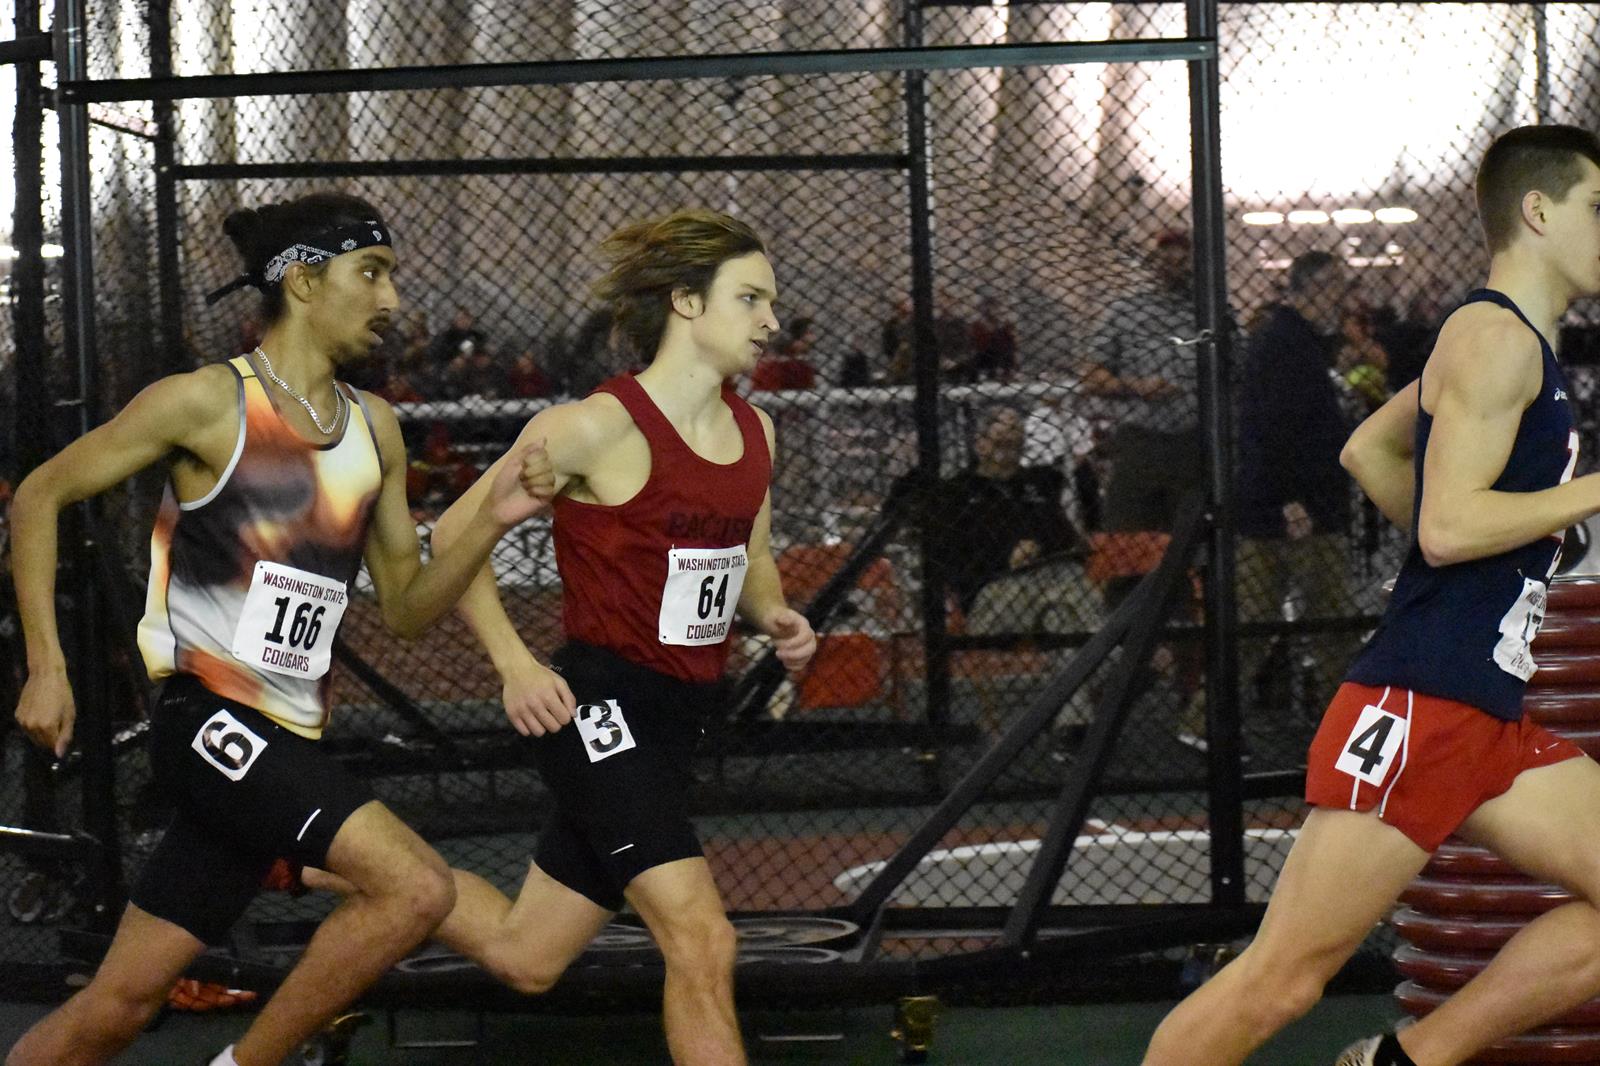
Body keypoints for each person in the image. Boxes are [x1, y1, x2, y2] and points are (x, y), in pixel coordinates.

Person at [5, 192, 554, 1066]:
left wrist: (493, 518)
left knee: (119, 1006)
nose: (392, 299)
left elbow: (407, 609)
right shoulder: (205, 403)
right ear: (301, 280)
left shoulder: (375, 429)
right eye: (371, 273)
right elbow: (40, 495)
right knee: (416, 887)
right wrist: (48, 664)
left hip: (287, 738)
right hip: (208, 721)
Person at [1142, 124, 1600, 1066]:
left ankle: (1405, 1061)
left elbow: (1369, 451)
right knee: (1282, 981)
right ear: (1538, 210)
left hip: (1485, 711)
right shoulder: (1494, 340)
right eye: (1599, 207)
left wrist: (1502, 549)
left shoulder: (1503, 341)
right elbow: (1448, 527)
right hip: (1421, 703)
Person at [390, 209, 816, 1066]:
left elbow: (752, 555)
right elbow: (455, 534)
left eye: (771, 301)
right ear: (686, 302)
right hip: (598, 709)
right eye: (751, 298)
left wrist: (773, 614)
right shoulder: (593, 426)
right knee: (702, 938)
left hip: (684, 719)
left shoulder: (756, 433)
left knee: (526, 957)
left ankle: (364, 872)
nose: (771, 320)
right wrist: (513, 664)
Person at [1235, 251, 1361, 728]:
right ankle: (1341, 724)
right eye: (1336, 287)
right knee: (1325, 618)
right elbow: (1275, 427)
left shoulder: (1292, 341)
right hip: (1302, 506)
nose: (1341, 298)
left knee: (1260, 621)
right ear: (1316, 287)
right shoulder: (1287, 344)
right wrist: (1291, 499)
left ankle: (1208, 718)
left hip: (1286, 503)